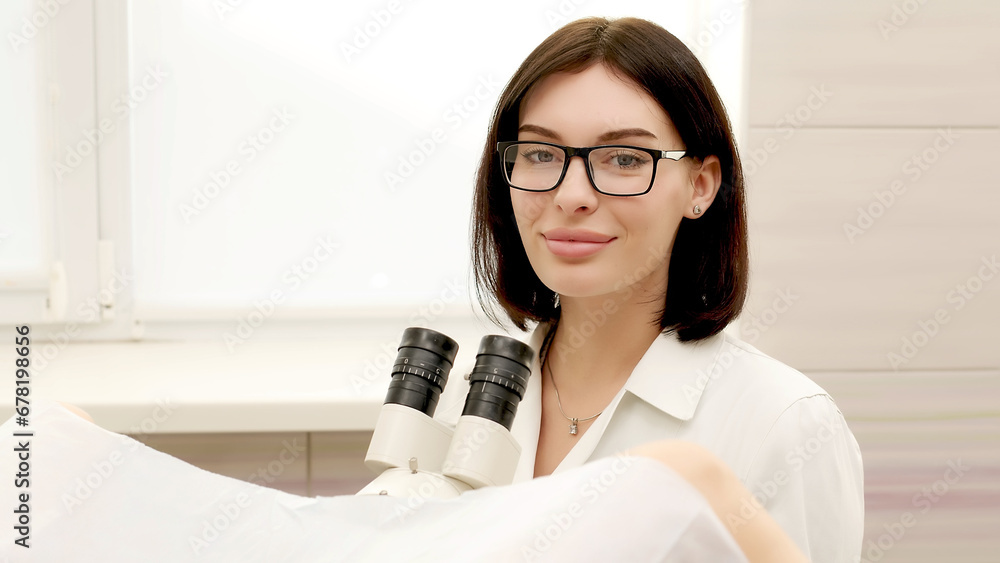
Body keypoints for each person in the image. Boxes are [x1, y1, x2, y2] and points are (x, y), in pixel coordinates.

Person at [435, 16, 864, 562]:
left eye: (623, 160)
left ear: (701, 186)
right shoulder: (462, 403)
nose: (572, 196)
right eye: (541, 154)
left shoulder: (783, 423)